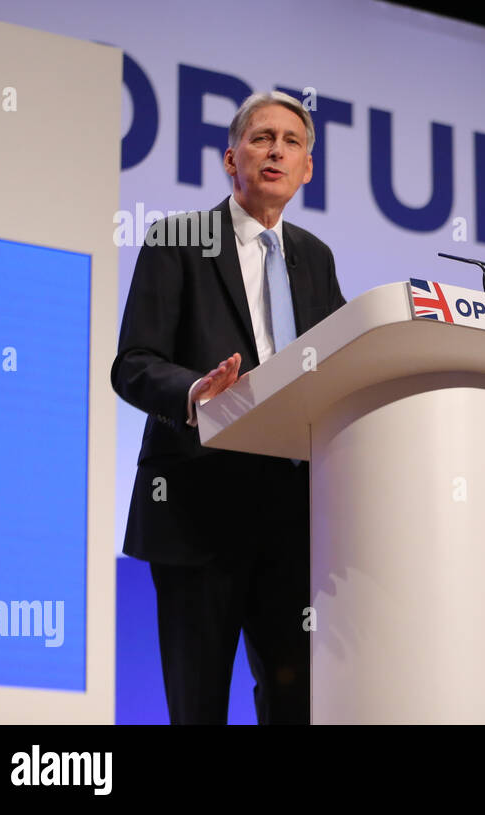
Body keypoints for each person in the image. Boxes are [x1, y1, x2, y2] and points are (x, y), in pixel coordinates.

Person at [110, 91, 345, 724]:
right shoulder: (179, 239)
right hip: (197, 506)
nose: (276, 150)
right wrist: (196, 392)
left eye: (292, 142)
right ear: (229, 158)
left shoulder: (315, 258)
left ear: (308, 169)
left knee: (297, 701)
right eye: (261, 137)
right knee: (198, 706)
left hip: (292, 517)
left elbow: (341, 365)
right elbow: (132, 364)